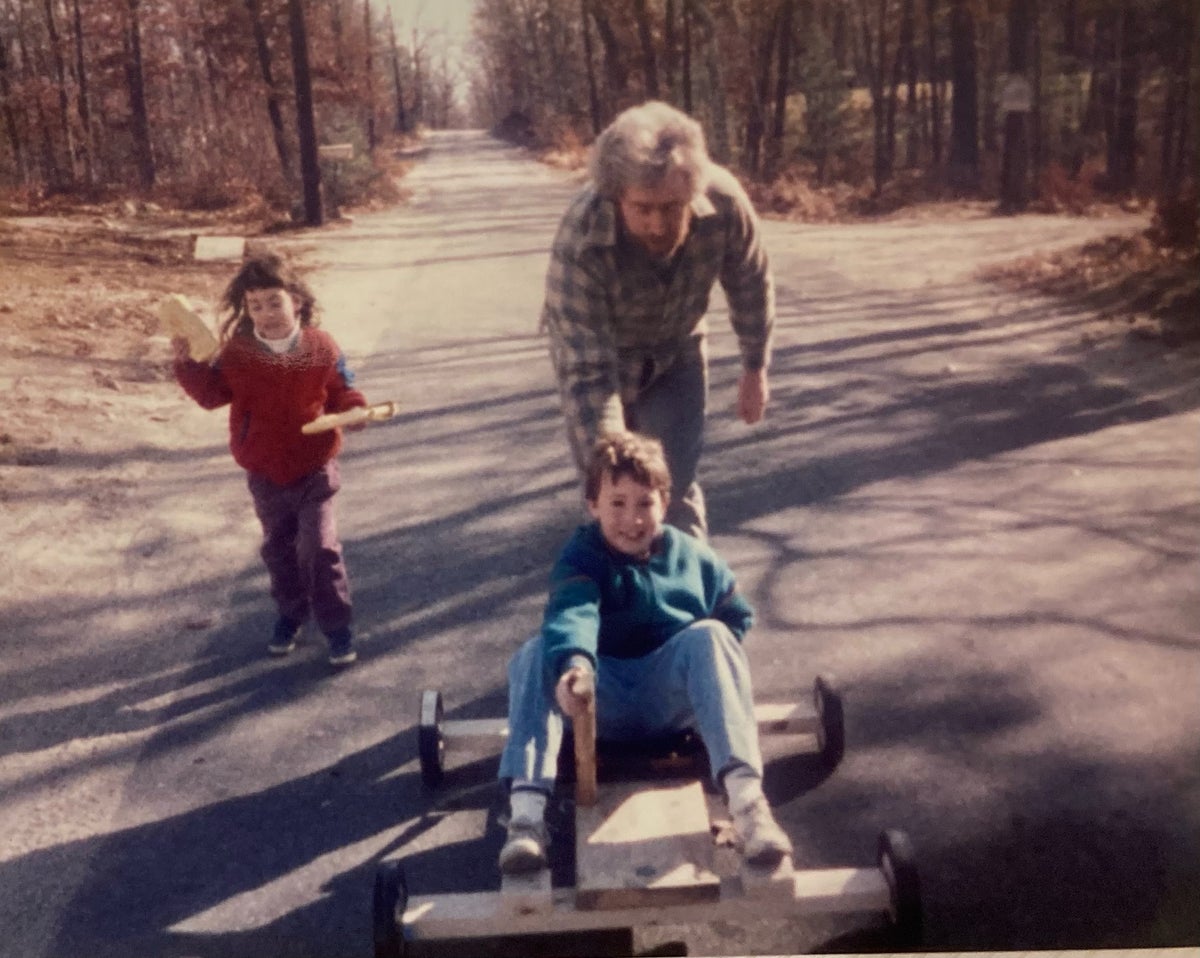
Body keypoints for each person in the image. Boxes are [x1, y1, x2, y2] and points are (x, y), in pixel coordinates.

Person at [497, 431, 792, 874]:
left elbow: (735, 614)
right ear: (593, 505)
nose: (632, 519)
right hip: (598, 703)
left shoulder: (691, 556)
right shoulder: (582, 555)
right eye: (617, 504)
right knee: (537, 652)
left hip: (668, 701)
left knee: (711, 636)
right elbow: (573, 613)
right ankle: (526, 817)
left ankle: (749, 807)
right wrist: (574, 667)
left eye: (644, 504)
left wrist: (710, 679)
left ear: (665, 503)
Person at [541, 100, 775, 539]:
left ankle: (688, 577)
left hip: (677, 352)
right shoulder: (582, 238)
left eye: (671, 208)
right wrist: (613, 463)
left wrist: (754, 367)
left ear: (692, 193)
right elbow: (588, 373)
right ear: (617, 197)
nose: (656, 225)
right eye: (643, 208)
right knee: (614, 494)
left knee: (669, 488)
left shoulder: (725, 204)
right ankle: (616, 577)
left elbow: (750, 284)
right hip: (605, 359)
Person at [171, 251, 367, 667]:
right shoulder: (239, 353)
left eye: (274, 302)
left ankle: (336, 625)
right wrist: (187, 365)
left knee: (318, 547)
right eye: (255, 306)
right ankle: (291, 615)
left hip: (314, 465)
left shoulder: (320, 346)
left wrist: (355, 410)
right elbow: (212, 395)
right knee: (279, 549)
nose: (266, 314)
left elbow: (342, 390)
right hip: (265, 471)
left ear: (296, 300)